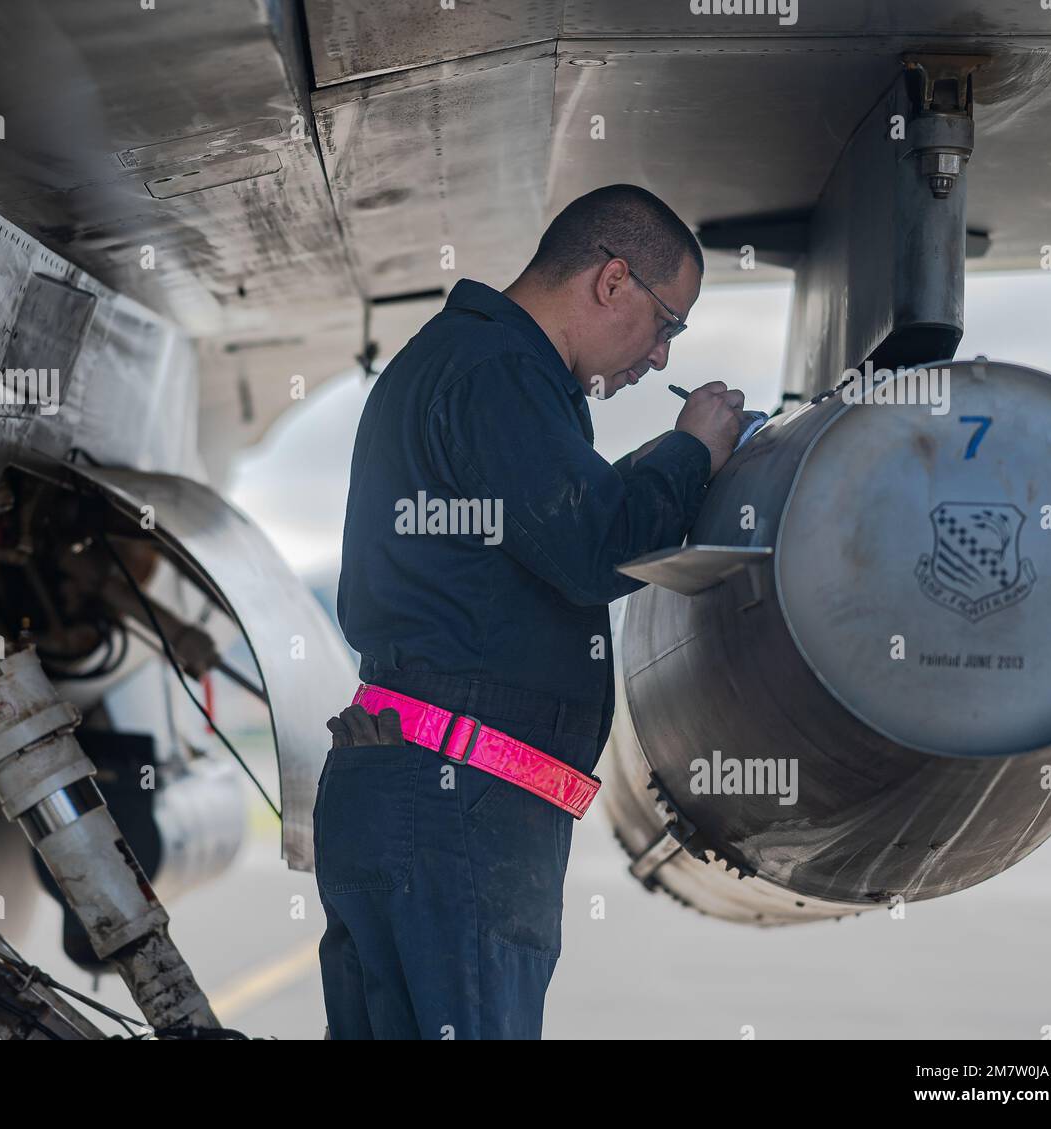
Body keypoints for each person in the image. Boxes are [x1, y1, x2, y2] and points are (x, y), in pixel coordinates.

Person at [314, 184, 747, 1039]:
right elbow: (592, 546)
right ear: (612, 280)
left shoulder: (467, 367)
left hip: (421, 795)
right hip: (458, 813)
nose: (661, 358)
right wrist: (693, 449)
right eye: (668, 324)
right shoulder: (499, 372)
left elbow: (554, 526)